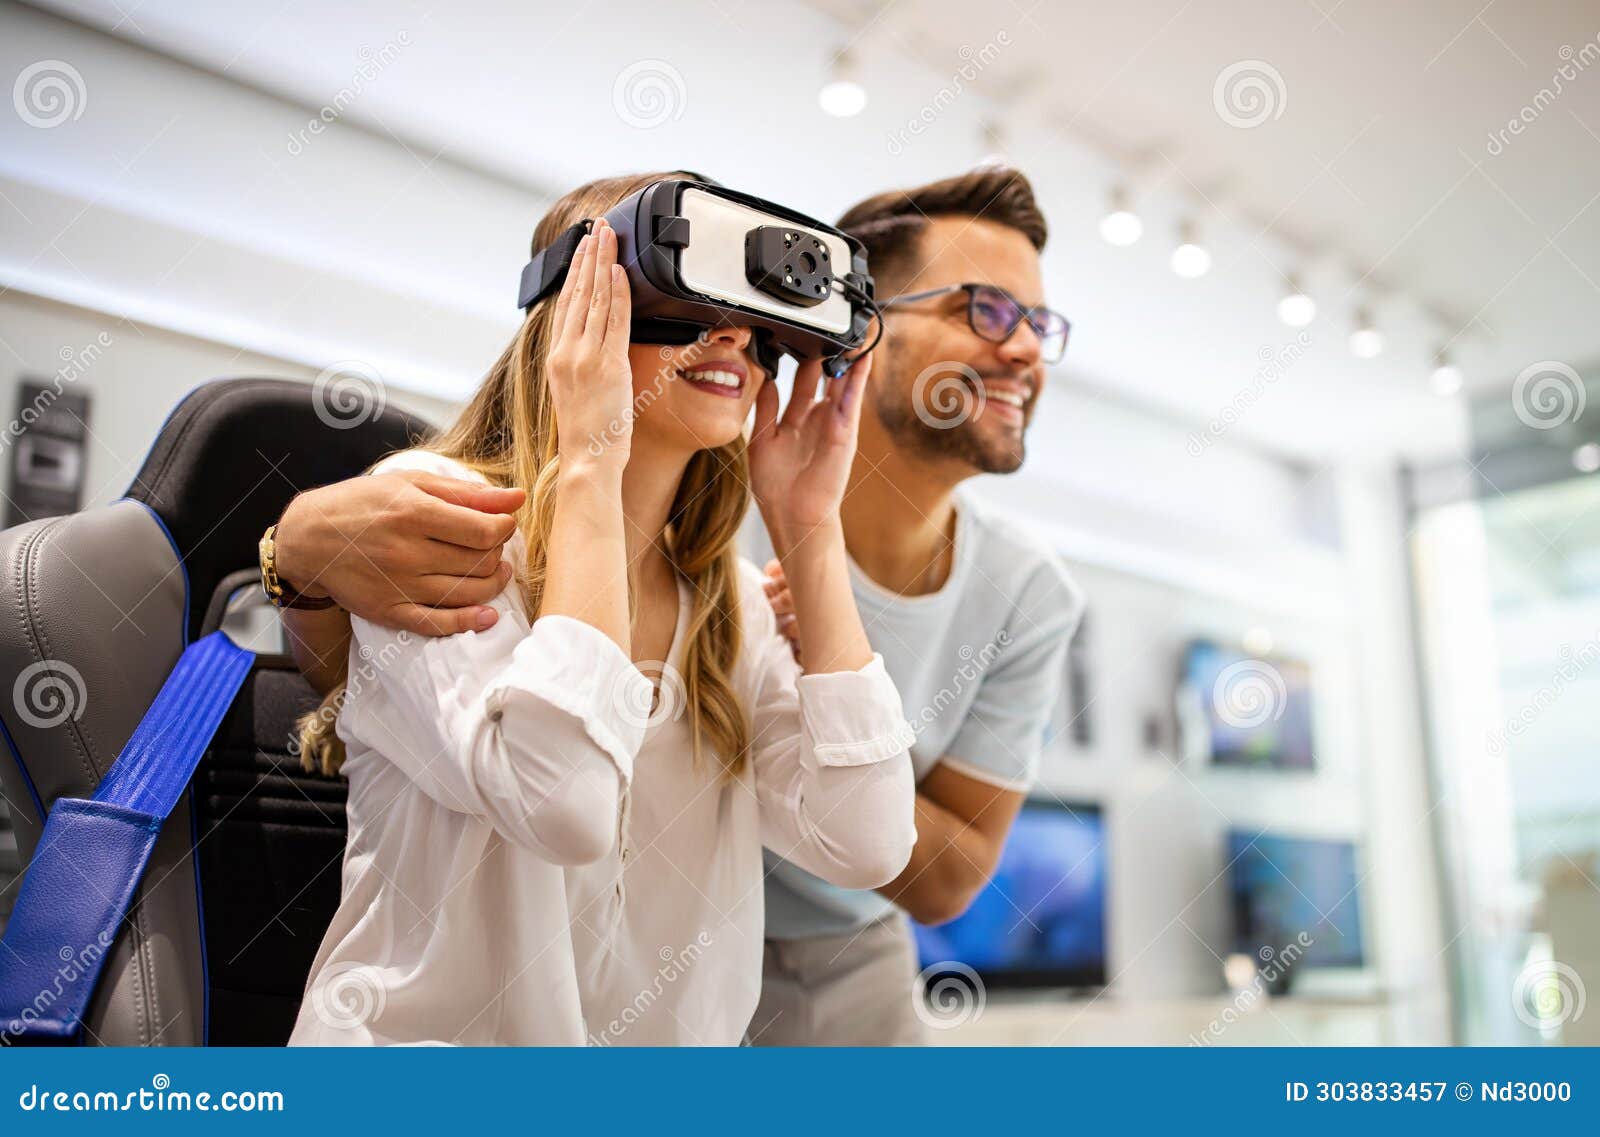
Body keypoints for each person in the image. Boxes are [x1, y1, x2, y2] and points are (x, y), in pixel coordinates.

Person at [273, 167, 1081, 1047]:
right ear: (576, 310)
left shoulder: (727, 599)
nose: (731, 334)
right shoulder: (436, 519)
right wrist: (588, 457)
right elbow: (566, 803)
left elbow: (871, 842)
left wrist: (808, 532)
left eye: (747, 317)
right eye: (688, 302)